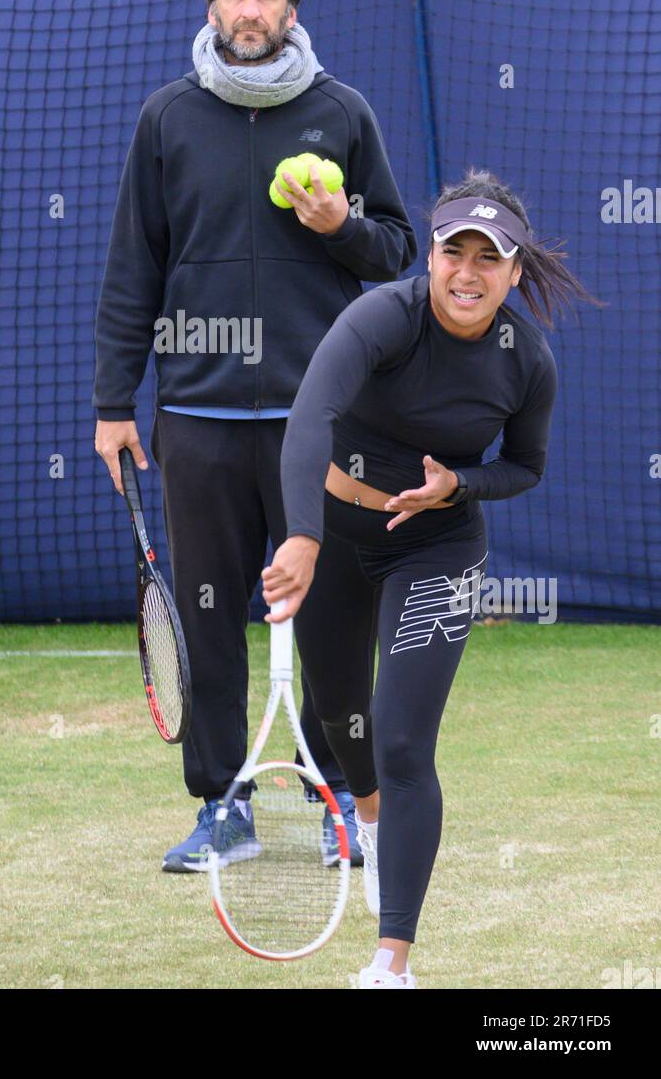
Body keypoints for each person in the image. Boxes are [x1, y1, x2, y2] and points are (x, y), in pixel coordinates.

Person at [93, 0, 417, 872]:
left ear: (292, 8)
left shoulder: (343, 114)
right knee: (205, 617)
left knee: (330, 620)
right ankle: (221, 808)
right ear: (211, 5)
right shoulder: (166, 119)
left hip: (321, 423)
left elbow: (400, 255)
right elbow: (131, 273)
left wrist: (340, 223)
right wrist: (116, 402)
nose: (248, 10)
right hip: (195, 421)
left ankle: (334, 802)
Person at [262, 169, 602, 987]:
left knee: (404, 739)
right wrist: (303, 535)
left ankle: (392, 964)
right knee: (345, 722)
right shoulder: (382, 316)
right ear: (433, 256)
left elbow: (523, 466)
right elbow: (309, 417)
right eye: (456, 251)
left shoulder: (528, 362)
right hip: (337, 533)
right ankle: (370, 822)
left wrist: (458, 483)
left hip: (437, 548)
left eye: (492, 259)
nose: (469, 273)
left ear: (515, 273)